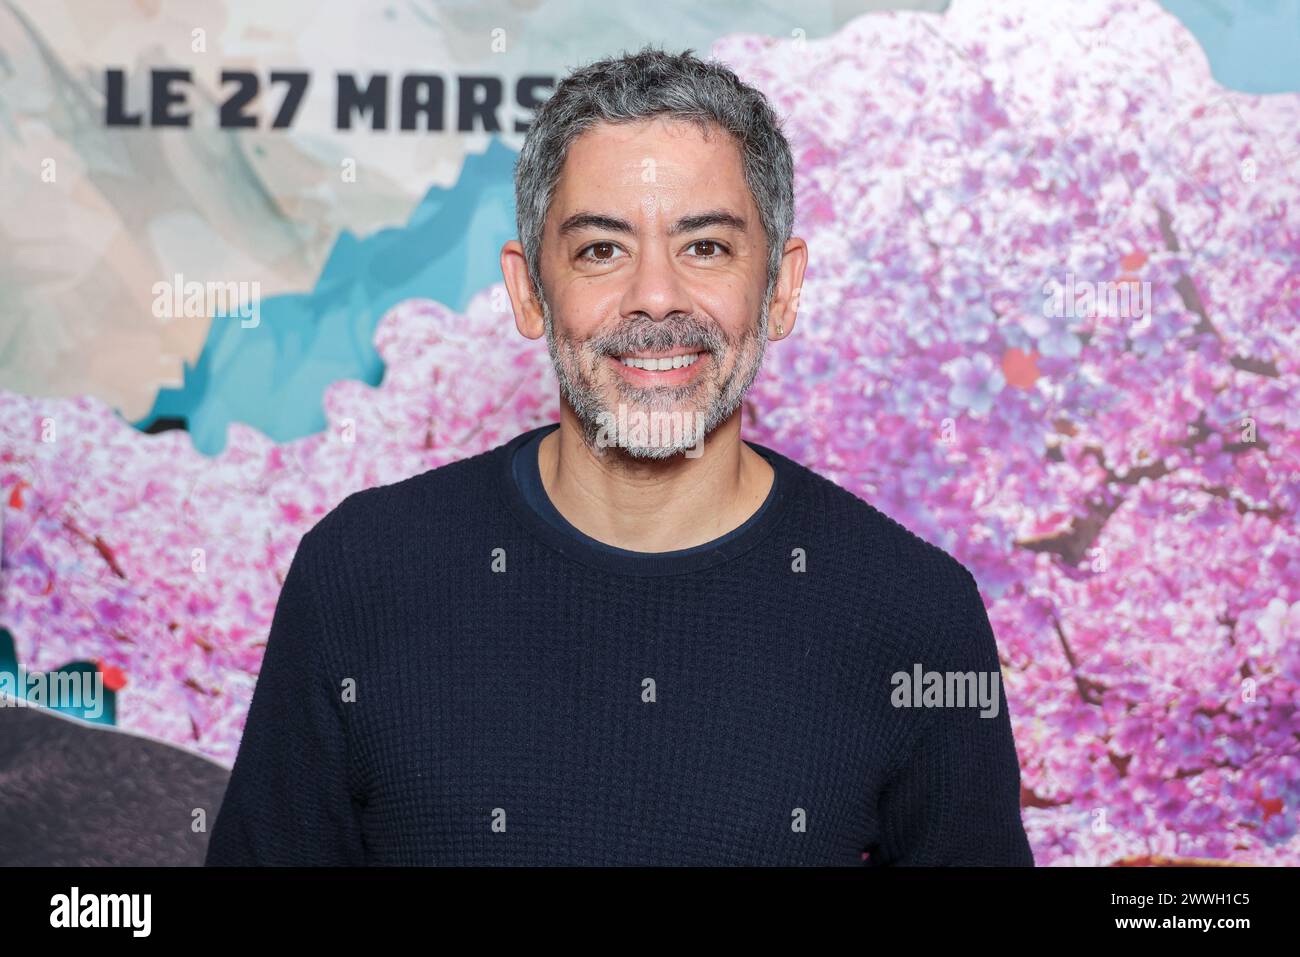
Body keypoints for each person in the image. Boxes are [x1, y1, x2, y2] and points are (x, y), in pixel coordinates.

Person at [205, 46, 1034, 867]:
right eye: (602, 249)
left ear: (780, 289)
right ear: (530, 289)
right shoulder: (361, 573)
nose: (656, 295)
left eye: (705, 247)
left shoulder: (914, 613)